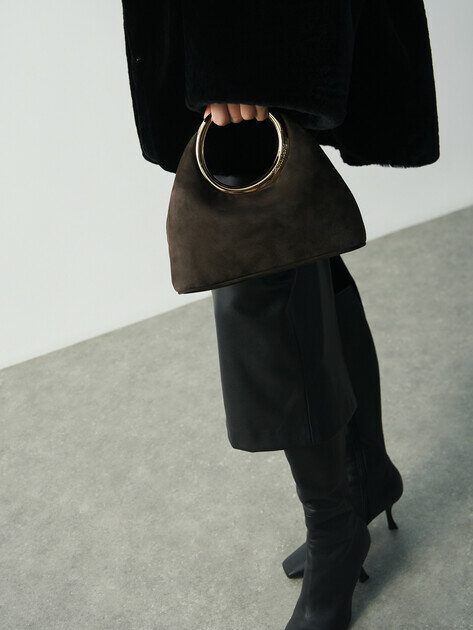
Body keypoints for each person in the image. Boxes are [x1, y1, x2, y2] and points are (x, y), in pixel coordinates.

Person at [120, 2, 439, 628]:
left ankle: (335, 532)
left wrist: (234, 58)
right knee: (291, 229)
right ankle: (365, 477)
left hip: (249, 23)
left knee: (258, 244)